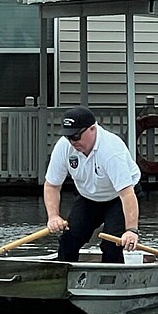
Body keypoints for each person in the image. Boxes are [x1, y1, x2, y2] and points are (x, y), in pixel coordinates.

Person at [44, 106, 142, 263]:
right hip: (88, 197)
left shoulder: (111, 150)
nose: (72, 142)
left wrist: (131, 230)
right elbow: (52, 186)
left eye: (76, 136)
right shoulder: (64, 147)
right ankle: (63, 277)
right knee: (69, 239)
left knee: (112, 244)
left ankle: (112, 283)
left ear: (92, 129)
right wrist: (53, 216)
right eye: (68, 137)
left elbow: (127, 194)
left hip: (119, 198)